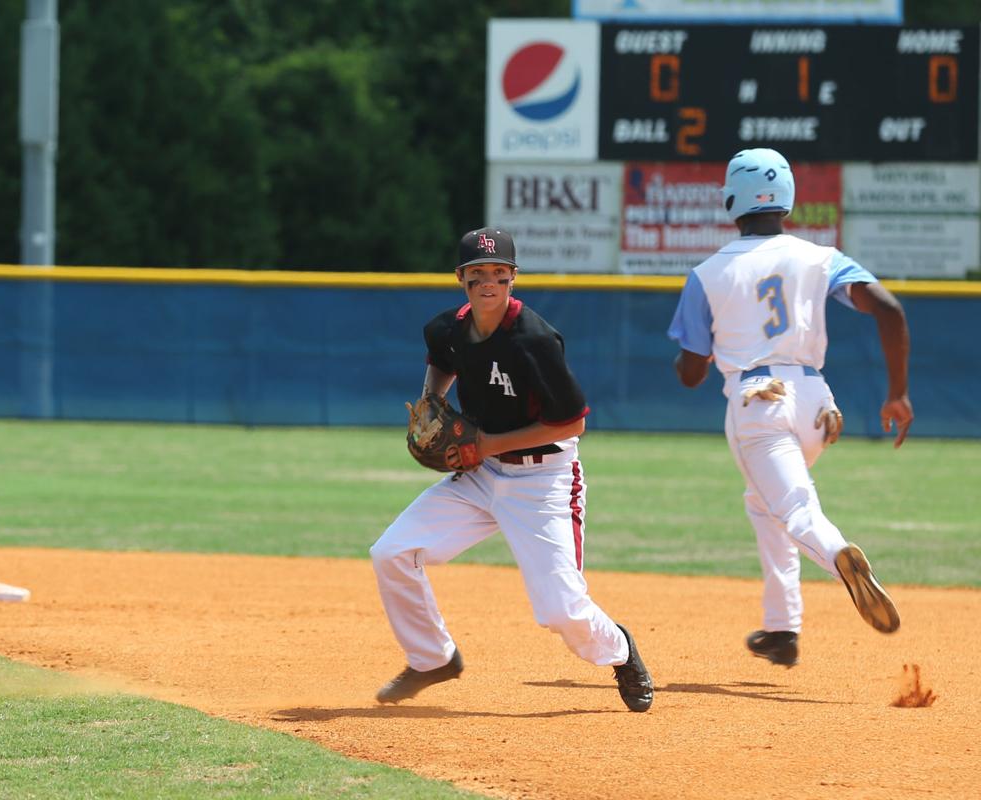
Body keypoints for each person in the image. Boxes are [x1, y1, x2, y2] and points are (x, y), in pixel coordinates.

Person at [369, 227, 654, 712]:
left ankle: (621, 650)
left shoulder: (535, 339)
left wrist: (487, 443)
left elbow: (571, 423)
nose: (489, 283)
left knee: (560, 610)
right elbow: (442, 361)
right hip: (479, 475)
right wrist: (431, 400)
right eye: (478, 274)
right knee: (392, 551)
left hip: (543, 481)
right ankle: (432, 658)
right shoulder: (447, 329)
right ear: (461, 278)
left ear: (513, 278)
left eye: (499, 274)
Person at [668, 149, 911, 667]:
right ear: (787, 198)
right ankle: (782, 629)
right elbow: (889, 309)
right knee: (765, 504)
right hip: (817, 406)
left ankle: (841, 557)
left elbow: (691, 374)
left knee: (797, 510)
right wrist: (897, 393)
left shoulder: (708, 273)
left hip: (758, 404)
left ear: (732, 198)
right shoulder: (821, 257)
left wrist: (694, 356)